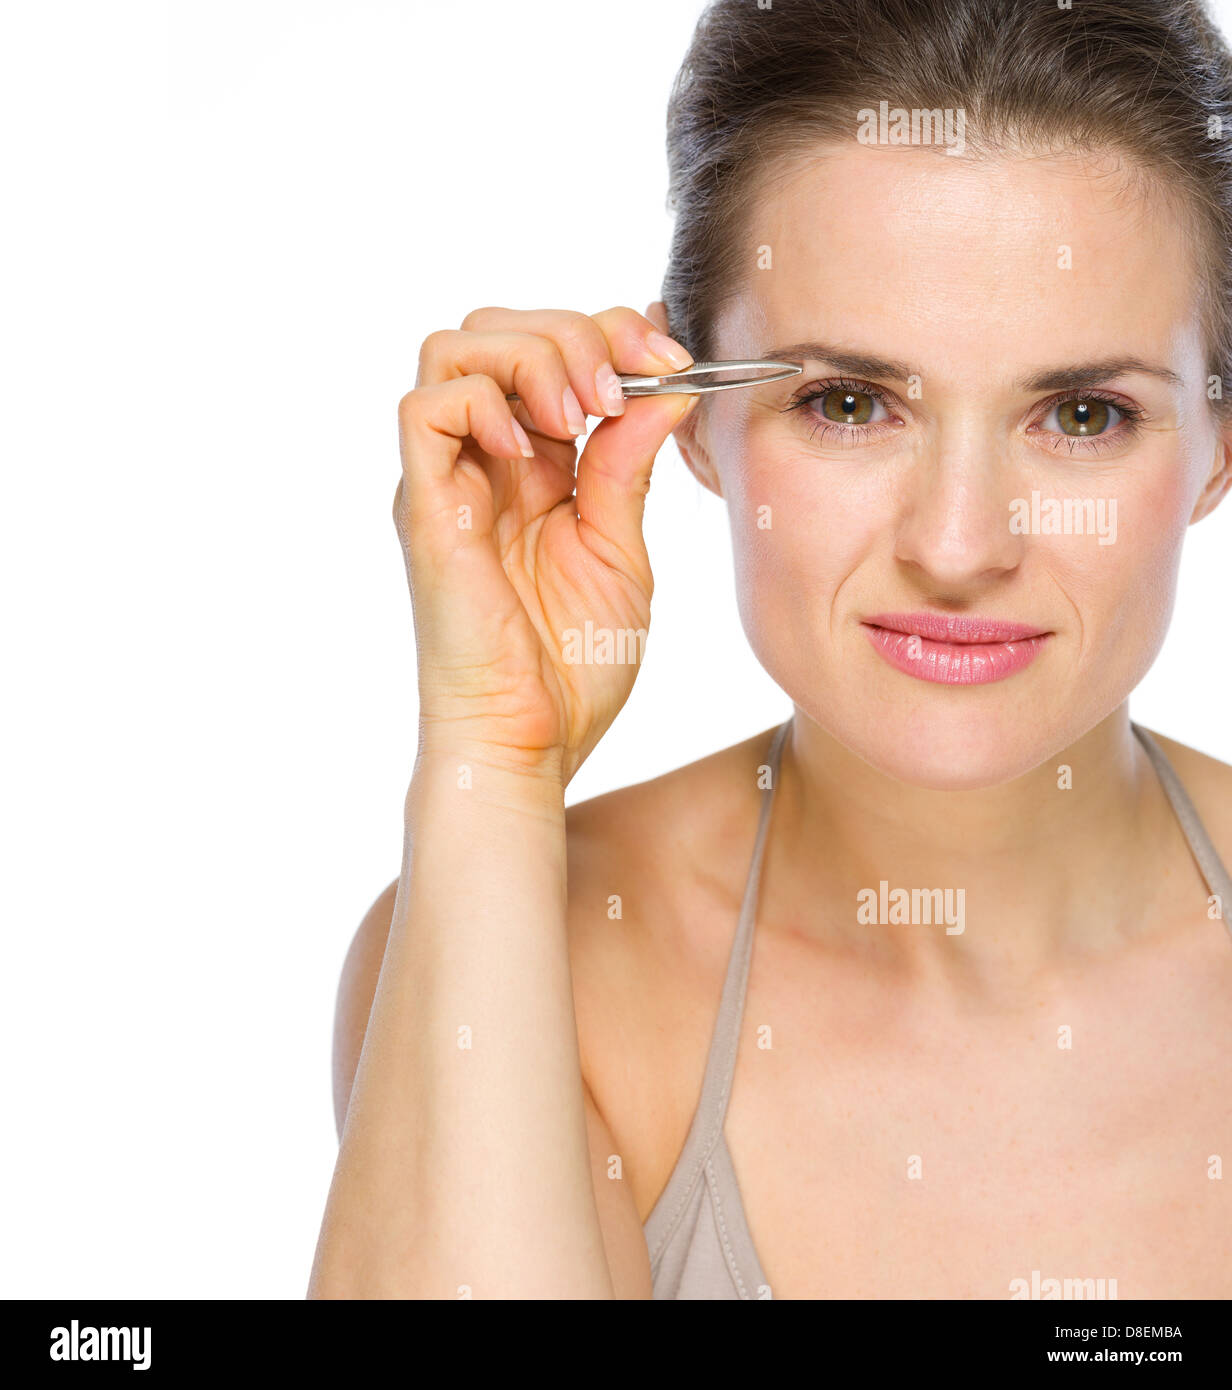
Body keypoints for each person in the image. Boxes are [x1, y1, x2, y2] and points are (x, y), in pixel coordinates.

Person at [309, 0, 1232, 1299]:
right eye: (848, 403)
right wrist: (490, 758)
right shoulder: (532, 946)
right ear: (683, 419)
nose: (960, 544)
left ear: (1218, 449)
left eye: (1082, 413)